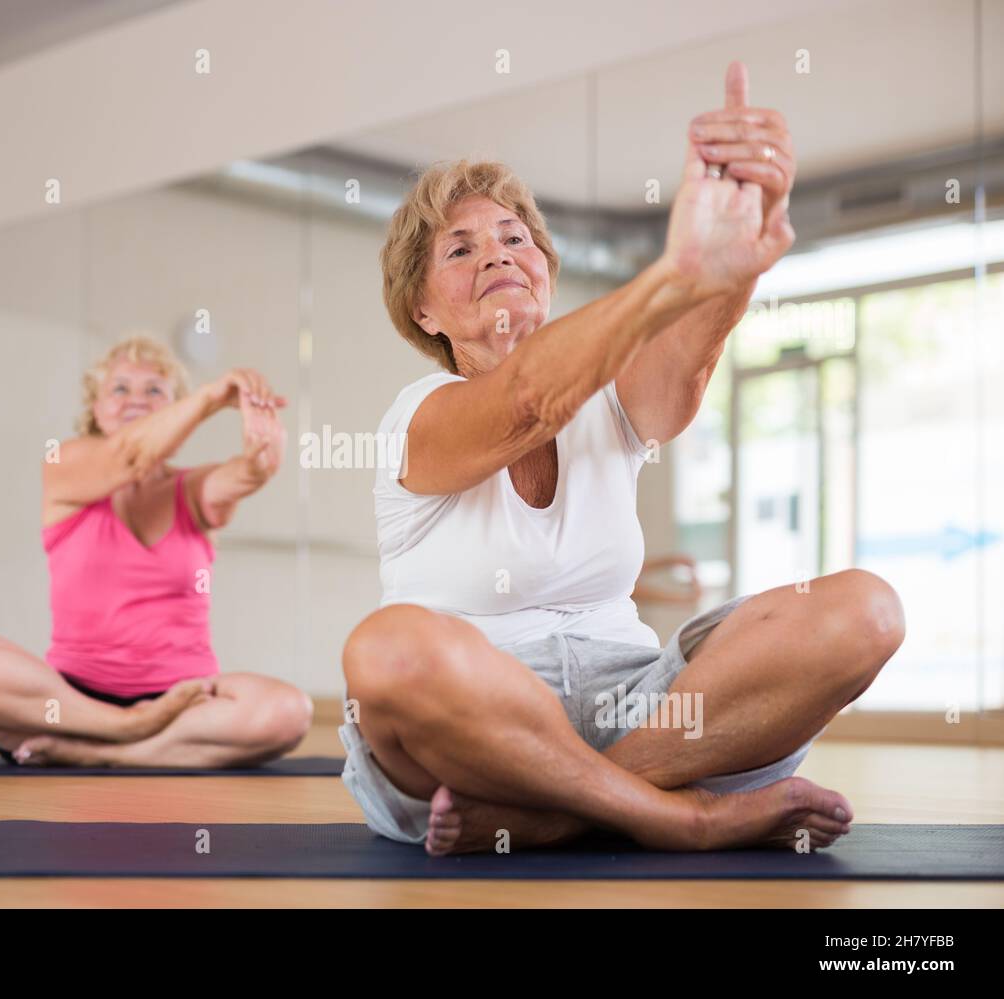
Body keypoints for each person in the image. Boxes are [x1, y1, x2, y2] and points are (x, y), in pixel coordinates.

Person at [339, 62, 905, 855]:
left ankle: (561, 813)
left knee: (865, 609)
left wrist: (732, 263)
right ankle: (681, 814)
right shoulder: (417, 419)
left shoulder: (610, 399)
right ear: (424, 309)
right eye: (460, 248)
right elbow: (527, 400)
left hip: (641, 707)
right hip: (480, 729)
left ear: (544, 270)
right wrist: (675, 272)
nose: (498, 254)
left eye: (515, 237)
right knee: (384, 647)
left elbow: (687, 360)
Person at [0, 335, 313, 767]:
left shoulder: (193, 490)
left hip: (184, 702)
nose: (136, 399)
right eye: (120, 388)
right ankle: (123, 733)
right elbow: (130, 458)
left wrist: (263, 454)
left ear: (174, 412)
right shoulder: (63, 464)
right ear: (96, 410)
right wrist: (210, 397)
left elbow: (246, 475)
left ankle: (103, 753)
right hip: (70, 701)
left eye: (154, 390)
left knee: (288, 711)